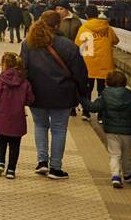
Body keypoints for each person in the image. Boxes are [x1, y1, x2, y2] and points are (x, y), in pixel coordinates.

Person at [21, 11, 90, 179]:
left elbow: (23, 69)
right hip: (62, 94)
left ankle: (42, 162)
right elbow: (80, 73)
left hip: (36, 94)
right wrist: (83, 94)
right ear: (58, 25)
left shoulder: (28, 43)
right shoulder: (68, 45)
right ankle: (56, 168)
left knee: (40, 126)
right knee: (59, 129)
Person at [83, 70, 131, 189]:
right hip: (129, 133)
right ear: (125, 83)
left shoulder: (105, 94)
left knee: (114, 154)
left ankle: (115, 176)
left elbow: (94, 107)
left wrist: (82, 99)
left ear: (107, 83)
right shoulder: (130, 95)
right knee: (126, 154)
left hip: (112, 131)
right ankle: (128, 174)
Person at [0, 51, 33, 179]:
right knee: (15, 144)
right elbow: (30, 100)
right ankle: (11, 169)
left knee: (1, 140)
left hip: (2, 118)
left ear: (4, 65)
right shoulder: (25, 82)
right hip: (18, 119)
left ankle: (0, 162)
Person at [75, 4, 120, 105]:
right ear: (97, 14)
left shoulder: (83, 28)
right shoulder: (107, 28)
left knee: (87, 89)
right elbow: (115, 41)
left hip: (88, 64)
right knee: (102, 91)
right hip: (104, 63)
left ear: (86, 15)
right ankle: (101, 114)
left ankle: (86, 112)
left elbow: (78, 45)